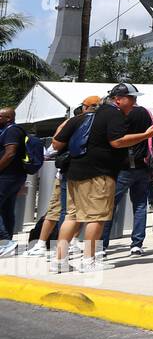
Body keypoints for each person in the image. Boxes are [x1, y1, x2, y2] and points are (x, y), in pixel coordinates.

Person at [50, 92, 153, 273]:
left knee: (72, 216)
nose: (134, 102)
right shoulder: (113, 115)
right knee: (98, 216)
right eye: (131, 98)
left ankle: (59, 260)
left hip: (74, 172)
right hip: (99, 174)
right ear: (118, 99)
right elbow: (117, 142)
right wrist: (146, 135)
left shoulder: (78, 119)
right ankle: (88, 260)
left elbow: (55, 143)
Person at [24, 98, 99, 258]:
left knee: (62, 211)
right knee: (73, 211)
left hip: (68, 172)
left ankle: (48, 245)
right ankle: (59, 244)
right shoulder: (96, 124)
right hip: (84, 174)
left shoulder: (70, 123)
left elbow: (53, 147)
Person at [103, 84, 153, 257]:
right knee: (140, 205)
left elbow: (116, 139)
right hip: (142, 165)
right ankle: (137, 244)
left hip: (122, 166)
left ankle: (102, 245)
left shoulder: (120, 114)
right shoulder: (144, 113)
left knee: (109, 206)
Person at [0, 106, 27, 258]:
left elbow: (10, 154)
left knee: (6, 209)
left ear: (8, 118)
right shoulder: (8, 130)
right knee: (6, 209)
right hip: (12, 176)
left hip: (7, 176)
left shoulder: (12, 131)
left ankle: (5, 242)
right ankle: (7, 243)